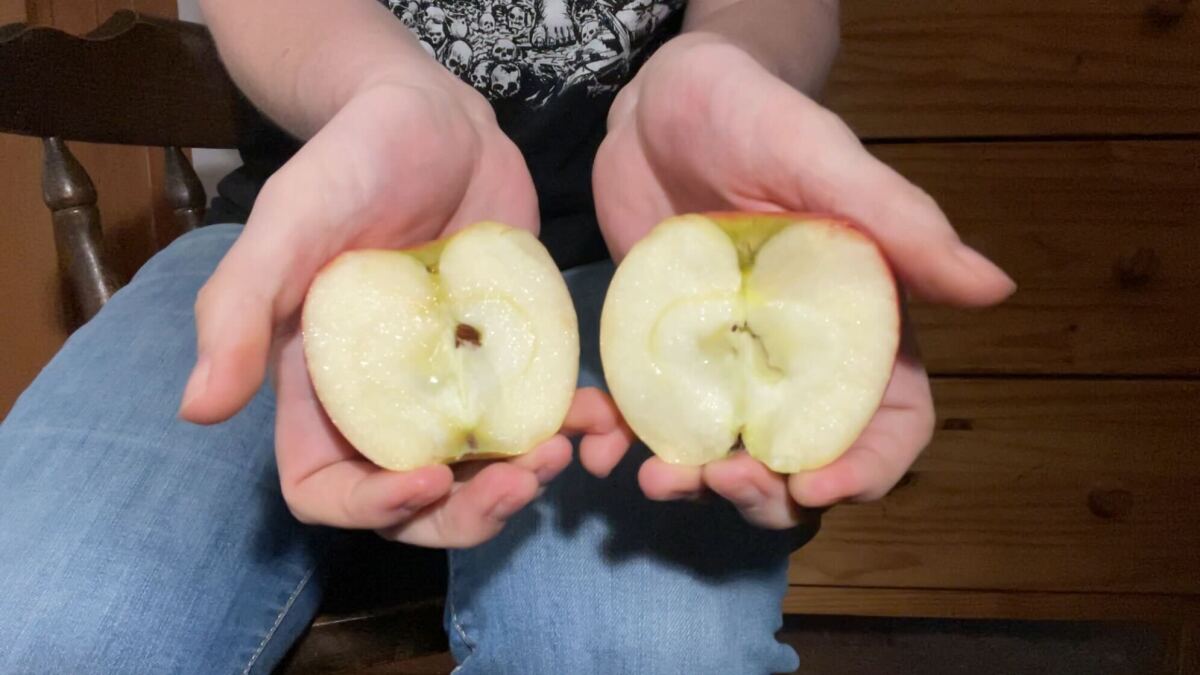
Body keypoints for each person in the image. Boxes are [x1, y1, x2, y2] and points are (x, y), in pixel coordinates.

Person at [0, 0, 1015, 672]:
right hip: (315, 228)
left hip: (651, 248)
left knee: (646, 657)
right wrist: (397, 95)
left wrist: (727, 61)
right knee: (44, 618)